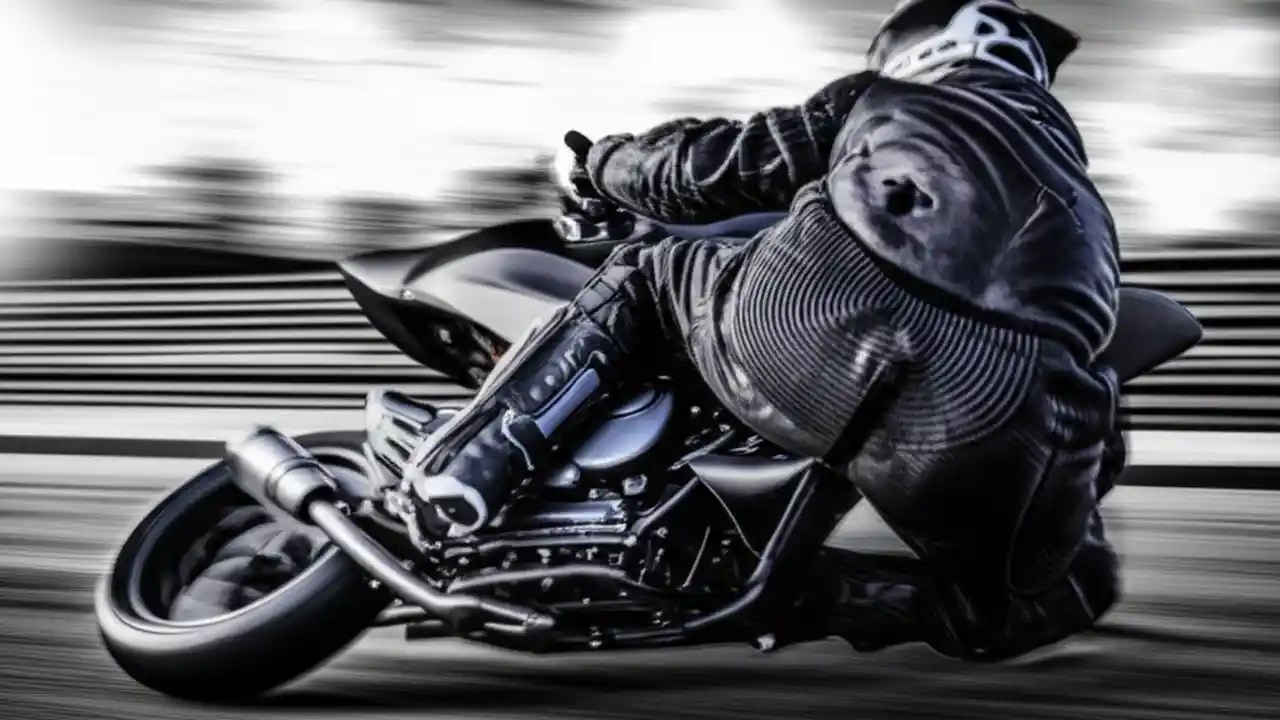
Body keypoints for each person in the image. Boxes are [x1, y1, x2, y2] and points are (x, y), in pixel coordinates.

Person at [408, 0, 1126, 660]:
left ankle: (473, 463)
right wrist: (1061, 492)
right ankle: (803, 593)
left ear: (927, 48)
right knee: (1060, 591)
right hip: (989, 417)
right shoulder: (1088, 209)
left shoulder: (884, 99)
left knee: (648, 274)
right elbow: (1098, 385)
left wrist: (603, 163)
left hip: (804, 325)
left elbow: (704, 169)